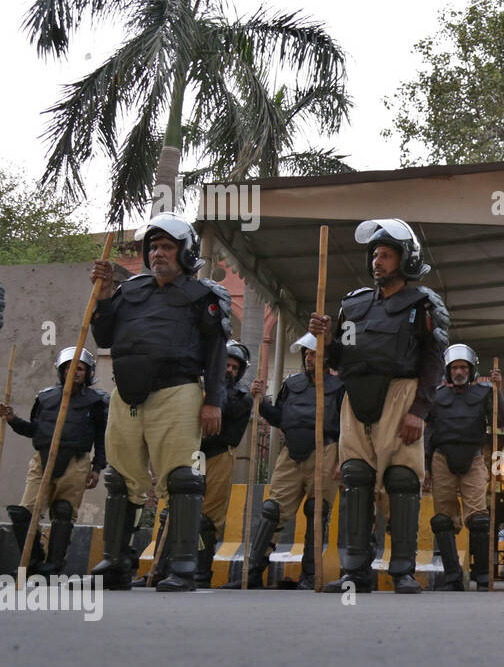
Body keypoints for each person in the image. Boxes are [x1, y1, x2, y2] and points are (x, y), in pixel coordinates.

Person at [88, 213, 231, 591]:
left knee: (183, 479)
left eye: (167, 246)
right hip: (127, 395)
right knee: (120, 479)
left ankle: (183, 567)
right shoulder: (129, 291)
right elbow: (103, 338)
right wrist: (103, 296)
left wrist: (213, 401)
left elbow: (218, 353)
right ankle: (116, 563)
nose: (157, 253)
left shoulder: (205, 296)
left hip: (178, 393)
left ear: (186, 252)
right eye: (153, 247)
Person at [309, 219, 449, 594]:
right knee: (355, 478)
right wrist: (325, 340)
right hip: (356, 399)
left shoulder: (422, 304)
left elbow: (434, 361)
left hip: (401, 397)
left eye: (386, 255)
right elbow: (343, 355)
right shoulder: (353, 306)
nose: (377, 261)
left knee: (402, 481)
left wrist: (420, 410)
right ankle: (355, 572)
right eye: (374, 254)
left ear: (406, 259)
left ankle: (402, 570)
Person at [223, 332, 343, 589]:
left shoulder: (340, 387)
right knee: (272, 510)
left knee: (317, 513)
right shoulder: (292, 384)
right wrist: (260, 401)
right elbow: (279, 418)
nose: (310, 358)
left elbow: (347, 427)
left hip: (327, 452)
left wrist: (342, 460)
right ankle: (252, 573)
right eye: (307, 353)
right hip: (290, 455)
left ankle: (310, 576)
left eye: (314, 353)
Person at [0, 347, 108, 577]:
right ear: (61, 370)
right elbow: (33, 430)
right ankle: (32, 561)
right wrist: (11, 419)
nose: (73, 372)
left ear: (88, 372)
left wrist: (97, 468)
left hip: (76, 463)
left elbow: (102, 438)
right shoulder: (45, 397)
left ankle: (54, 565)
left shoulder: (96, 402)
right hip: (42, 460)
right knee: (23, 513)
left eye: (79, 368)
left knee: (63, 511)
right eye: (68, 367)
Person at [423, 343, 504, 591]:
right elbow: (428, 432)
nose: (459, 371)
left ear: (471, 370)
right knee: (442, 520)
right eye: (454, 367)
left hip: (473, 457)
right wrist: (426, 466)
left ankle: (482, 576)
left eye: (463, 367)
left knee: (479, 519)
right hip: (441, 458)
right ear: (448, 370)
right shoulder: (435, 395)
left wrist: (498, 391)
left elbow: (500, 420)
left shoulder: (484, 393)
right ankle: (452, 578)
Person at [186, 340, 253, 587]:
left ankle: (201, 573)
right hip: (193, 454)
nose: (229, 370)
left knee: (206, 519)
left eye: (234, 367)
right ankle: (165, 566)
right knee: (176, 512)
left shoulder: (242, 397)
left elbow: (223, 409)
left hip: (219, 456)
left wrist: (215, 386)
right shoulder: (198, 390)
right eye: (225, 365)